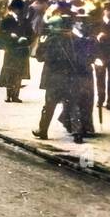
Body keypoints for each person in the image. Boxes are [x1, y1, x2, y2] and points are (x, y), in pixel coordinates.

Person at [34, 10, 86, 143]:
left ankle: (43, 130)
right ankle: (77, 132)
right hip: (71, 78)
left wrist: (41, 44)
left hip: (54, 78)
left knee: (49, 106)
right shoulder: (75, 39)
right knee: (73, 105)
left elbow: (40, 57)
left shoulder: (51, 40)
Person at [0, 0, 31, 103]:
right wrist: (9, 36)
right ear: (16, 9)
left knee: (18, 74)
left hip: (22, 50)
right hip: (10, 49)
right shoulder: (6, 19)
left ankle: (15, 95)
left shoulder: (25, 20)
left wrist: (26, 39)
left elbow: (31, 33)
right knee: (9, 73)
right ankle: (8, 95)